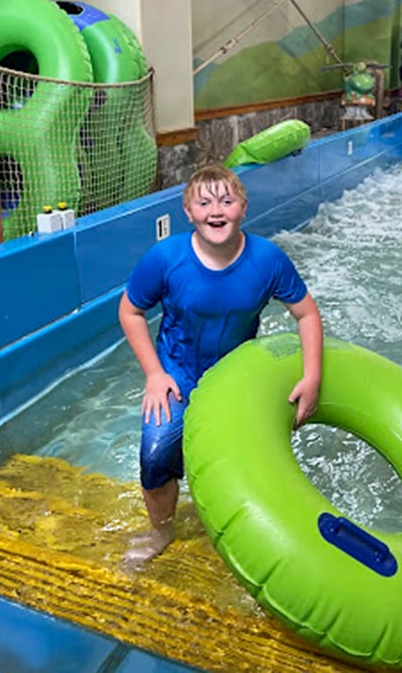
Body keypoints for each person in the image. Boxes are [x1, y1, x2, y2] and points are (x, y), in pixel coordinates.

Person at [119, 163, 323, 561]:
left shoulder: (267, 260)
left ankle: (239, 529)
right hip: (178, 374)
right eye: (205, 202)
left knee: (244, 460)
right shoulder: (165, 258)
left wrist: (311, 376)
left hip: (236, 376)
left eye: (227, 201)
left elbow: (307, 314)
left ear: (243, 208)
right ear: (188, 211)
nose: (217, 211)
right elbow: (130, 311)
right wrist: (155, 374)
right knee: (157, 453)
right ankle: (161, 531)